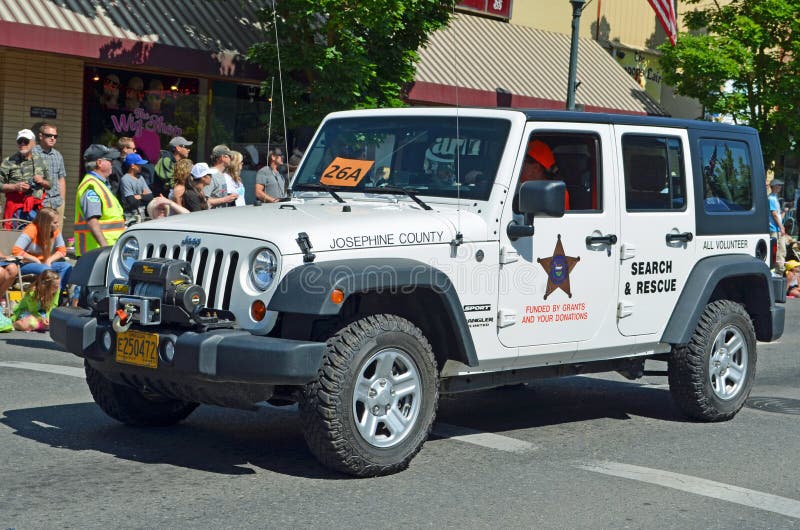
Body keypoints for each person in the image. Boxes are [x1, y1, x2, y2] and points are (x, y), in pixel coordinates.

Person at [74, 144, 125, 257]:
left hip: (104, 251)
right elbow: (93, 221)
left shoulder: (100, 184)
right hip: (96, 253)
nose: (112, 163)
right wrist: (105, 249)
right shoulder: (91, 186)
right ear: (99, 163)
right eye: (109, 160)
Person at [12, 206, 72, 291]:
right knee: (47, 271)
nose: (58, 225)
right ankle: (46, 296)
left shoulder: (55, 231)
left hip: (45, 264)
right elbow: (16, 250)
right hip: (26, 264)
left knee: (66, 267)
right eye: (55, 222)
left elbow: (62, 251)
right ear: (46, 223)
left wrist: (49, 260)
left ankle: (57, 294)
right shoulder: (32, 229)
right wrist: (35, 260)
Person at [0, 129, 50, 228]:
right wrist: (15, 187)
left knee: (36, 241)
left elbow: (50, 184)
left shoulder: (41, 161)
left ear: (34, 143)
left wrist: (42, 181)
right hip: (15, 210)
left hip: (36, 209)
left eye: (26, 141)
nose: (22, 144)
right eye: (20, 141)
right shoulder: (8, 161)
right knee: (15, 240)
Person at [515, 139, 570, 212]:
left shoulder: (555, 193)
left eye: (522, 162)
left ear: (536, 168)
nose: (517, 166)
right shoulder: (519, 187)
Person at [34, 123, 67, 223]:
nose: (53, 138)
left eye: (55, 136)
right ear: (40, 136)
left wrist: (62, 202)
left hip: (57, 203)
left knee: (56, 235)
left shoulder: (58, 155)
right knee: (40, 236)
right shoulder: (32, 153)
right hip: (40, 203)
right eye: (49, 135)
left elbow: (61, 179)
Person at [119, 153, 154, 224]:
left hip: (142, 213)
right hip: (131, 216)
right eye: (139, 164)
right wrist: (143, 196)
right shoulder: (125, 179)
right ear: (132, 165)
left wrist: (139, 196)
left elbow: (150, 196)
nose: (141, 166)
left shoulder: (140, 177)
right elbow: (131, 201)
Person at [769, 179, 786, 272]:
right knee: (779, 251)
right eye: (778, 185)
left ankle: (779, 270)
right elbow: (774, 214)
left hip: (777, 228)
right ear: (774, 186)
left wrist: (784, 211)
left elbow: (778, 216)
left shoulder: (775, 198)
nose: (780, 187)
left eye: (780, 185)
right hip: (775, 229)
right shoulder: (771, 198)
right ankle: (780, 271)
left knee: (780, 250)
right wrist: (781, 227)